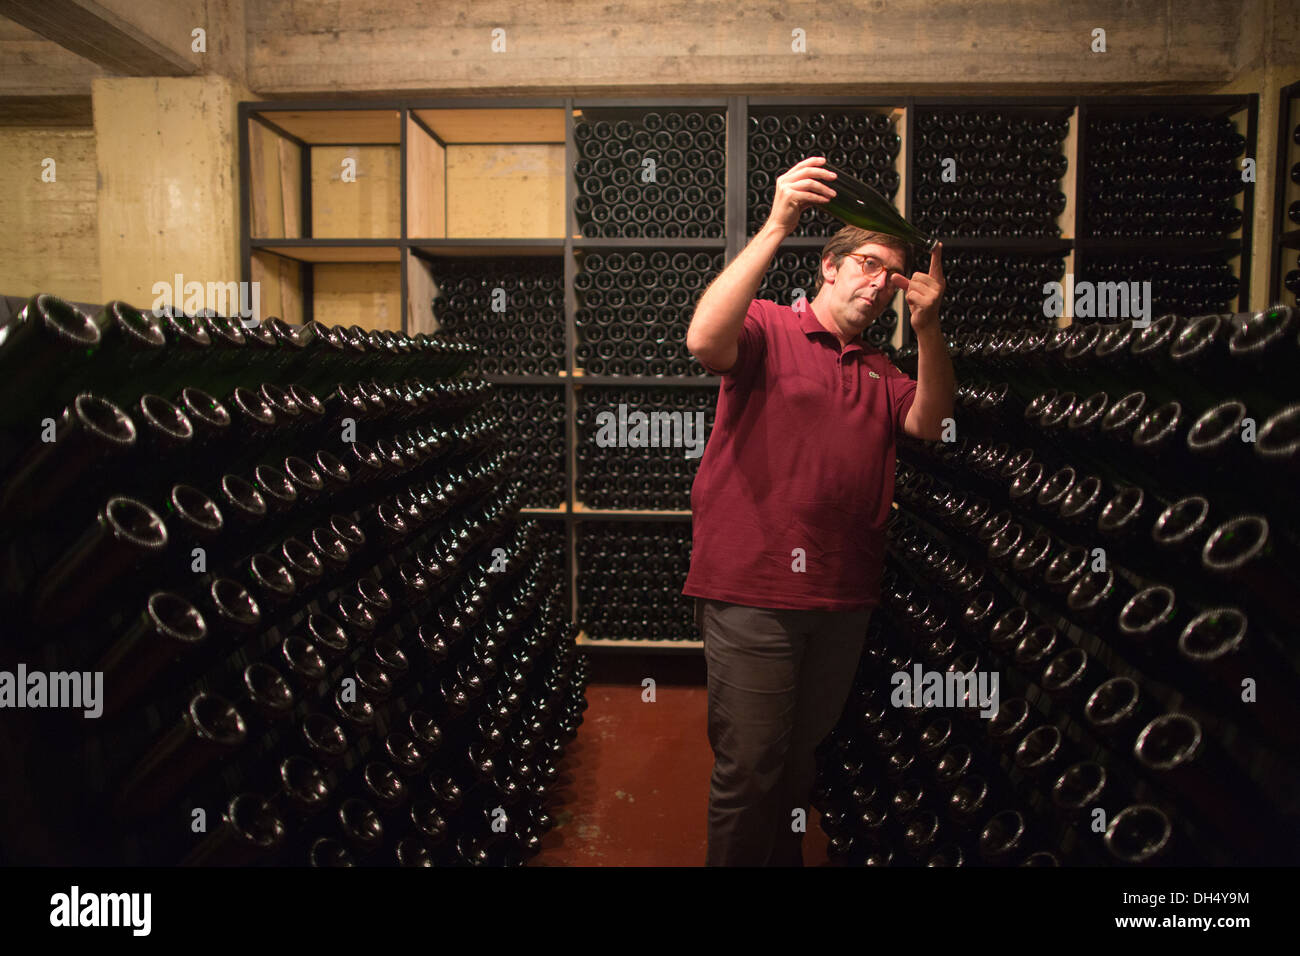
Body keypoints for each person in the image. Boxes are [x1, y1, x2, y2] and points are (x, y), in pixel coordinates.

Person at [682, 156, 955, 866]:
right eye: (866, 264)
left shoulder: (882, 368)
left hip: (842, 595)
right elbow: (703, 341)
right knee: (750, 768)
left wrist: (928, 329)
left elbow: (931, 424)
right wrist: (778, 223)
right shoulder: (768, 328)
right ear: (828, 269)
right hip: (754, 590)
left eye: (892, 278)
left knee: (799, 761)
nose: (878, 285)